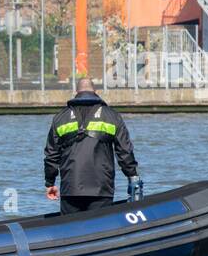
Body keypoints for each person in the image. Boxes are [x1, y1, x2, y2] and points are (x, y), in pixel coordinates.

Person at [44, 78, 141, 214]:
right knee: (101, 228)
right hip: (101, 188)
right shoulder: (112, 116)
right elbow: (124, 152)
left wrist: (50, 182)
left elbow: (51, 154)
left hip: (70, 188)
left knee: (71, 229)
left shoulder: (60, 118)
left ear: (76, 92)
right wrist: (133, 177)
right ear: (96, 92)